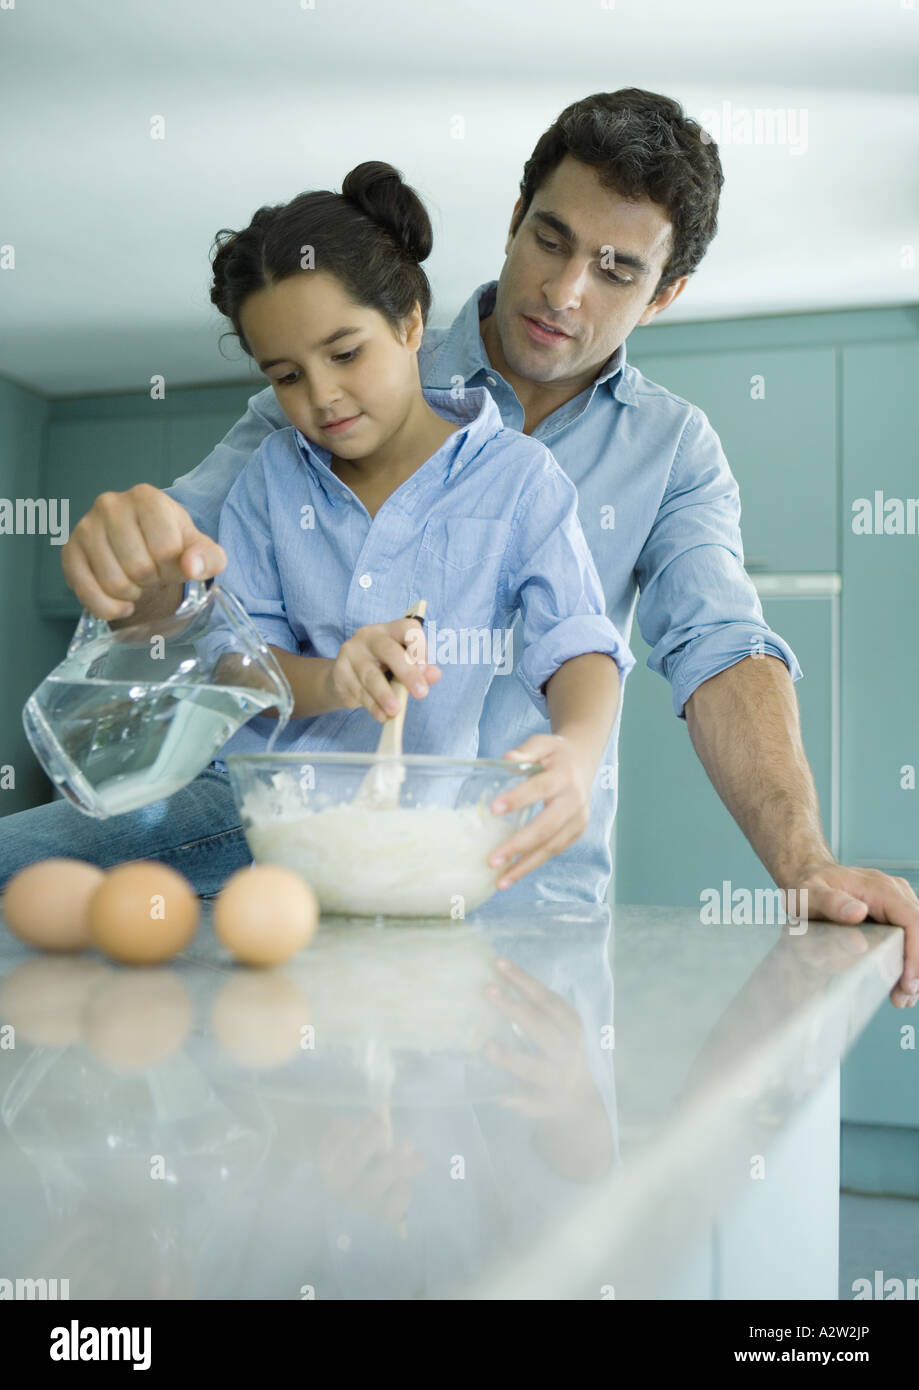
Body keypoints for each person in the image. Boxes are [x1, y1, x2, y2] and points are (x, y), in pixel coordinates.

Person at [11, 88, 919, 1007]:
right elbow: (183, 582)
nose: (564, 293)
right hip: (286, 850)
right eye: (551, 240)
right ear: (514, 220)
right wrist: (130, 556)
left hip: (518, 900)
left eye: (616, 270)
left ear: (664, 296)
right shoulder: (332, 391)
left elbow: (720, 647)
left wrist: (804, 859)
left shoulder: (670, 451)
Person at [1, 161, 633, 898]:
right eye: (287, 375)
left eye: (343, 354)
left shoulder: (519, 478)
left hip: (410, 831)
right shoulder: (272, 477)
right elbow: (242, 665)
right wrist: (335, 678)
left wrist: (577, 750)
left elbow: (579, 642)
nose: (322, 396)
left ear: (410, 324)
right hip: (249, 813)